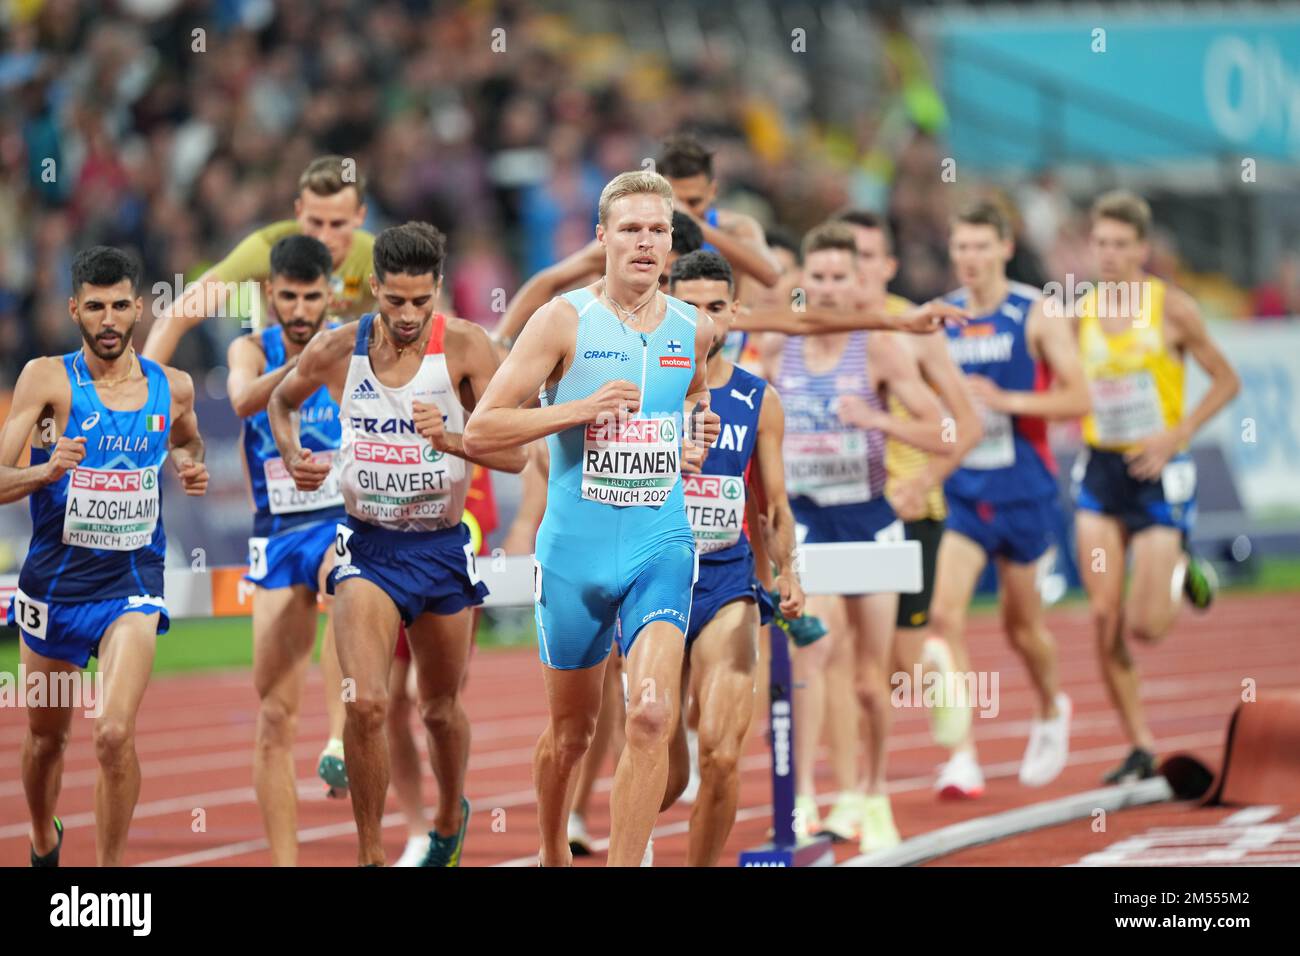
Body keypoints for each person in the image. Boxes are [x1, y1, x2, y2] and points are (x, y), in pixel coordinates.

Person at [462, 170, 721, 867]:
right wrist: (579, 410)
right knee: (572, 734)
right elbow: (483, 430)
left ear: (671, 242)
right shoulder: (562, 320)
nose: (645, 242)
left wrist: (693, 431)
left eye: (658, 230)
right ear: (601, 236)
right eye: (631, 228)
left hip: (660, 543)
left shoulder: (694, 330)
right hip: (574, 553)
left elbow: (695, 394)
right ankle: (552, 849)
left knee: (650, 715)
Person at [268, 222, 525, 866]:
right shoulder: (336, 350)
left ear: (437, 289)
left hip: (441, 549)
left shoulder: (466, 347)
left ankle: (447, 814)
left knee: (438, 708)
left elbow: (518, 455)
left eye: (421, 301)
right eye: (395, 301)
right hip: (367, 548)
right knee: (368, 703)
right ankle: (371, 854)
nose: (408, 316)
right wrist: (294, 452)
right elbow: (281, 399)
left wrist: (453, 441)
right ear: (374, 287)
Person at [0, 246, 209, 866]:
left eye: (121, 305)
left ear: (138, 308)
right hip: (55, 588)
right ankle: (43, 838)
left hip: (131, 584)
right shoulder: (47, 379)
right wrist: (44, 473)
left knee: (113, 733)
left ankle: (108, 881)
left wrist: (189, 464)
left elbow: (189, 440)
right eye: (96, 307)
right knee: (45, 743)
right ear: (74, 311)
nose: (110, 319)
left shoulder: (173, 387)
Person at [761, 222, 949, 851]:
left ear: (858, 281)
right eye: (819, 276)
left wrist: (874, 419)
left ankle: (871, 792)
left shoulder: (878, 349)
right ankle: (804, 797)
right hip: (809, 523)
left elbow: (941, 432)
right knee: (812, 656)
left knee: (871, 679)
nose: (831, 287)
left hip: (870, 522)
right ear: (804, 282)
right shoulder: (777, 346)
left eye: (843, 276)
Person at [1072, 191, 1240, 783]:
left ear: (1142, 249)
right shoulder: (1081, 310)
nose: (1110, 255)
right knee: (1102, 612)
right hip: (1101, 471)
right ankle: (1141, 744)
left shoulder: (1173, 309)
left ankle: (1183, 565)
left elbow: (1226, 380)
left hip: (1160, 474)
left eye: (1121, 244)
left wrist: (1177, 433)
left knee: (1147, 625)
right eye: (1101, 243)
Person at [928, 199, 1090, 799]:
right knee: (944, 618)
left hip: (1025, 489)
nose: (968, 258)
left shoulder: (1036, 312)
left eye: (979, 246)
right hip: (965, 494)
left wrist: (1006, 402)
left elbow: (1078, 399)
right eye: (959, 246)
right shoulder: (938, 316)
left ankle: (1051, 707)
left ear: (1003, 247)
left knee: (1023, 628)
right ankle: (961, 756)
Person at [660, 249, 805, 866]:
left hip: (727, 582)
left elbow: (772, 505)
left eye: (715, 308)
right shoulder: (642, 388)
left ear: (735, 312)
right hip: (653, 580)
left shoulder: (758, 399)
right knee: (661, 763)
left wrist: (789, 570)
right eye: (688, 309)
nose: (704, 323)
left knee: (721, 752)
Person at [226, 235, 353, 865]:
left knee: (343, 580)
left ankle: (338, 739)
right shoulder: (249, 348)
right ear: (269, 296)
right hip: (275, 532)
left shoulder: (354, 347)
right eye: (288, 297)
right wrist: (311, 363)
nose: (301, 310)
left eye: (312, 296)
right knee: (273, 714)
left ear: (330, 293)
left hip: (340, 519)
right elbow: (245, 399)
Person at [143, 156, 376, 365]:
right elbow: (175, 317)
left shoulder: (374, 258)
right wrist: (145, 397)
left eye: (337, 224)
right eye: (315, 222)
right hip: (277, 379)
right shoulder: (266, 246)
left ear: (359, 217)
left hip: (350, 383)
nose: (324, 237)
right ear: (298, 211)